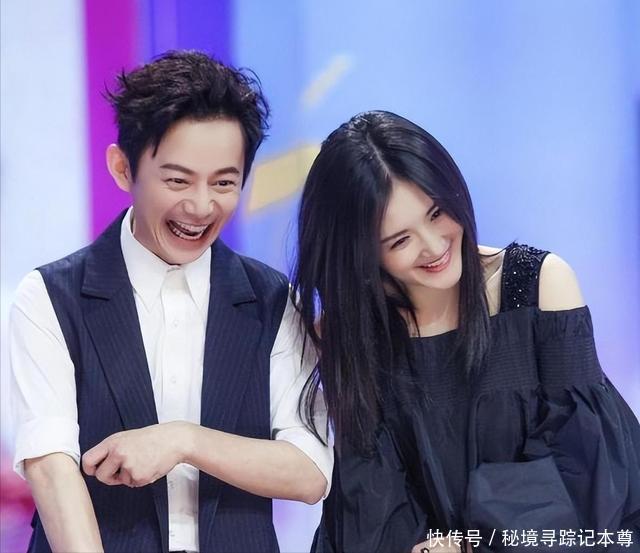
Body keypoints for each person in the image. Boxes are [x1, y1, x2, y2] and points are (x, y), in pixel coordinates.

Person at [10, 51, 332, 553]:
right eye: (177, 180)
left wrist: (182, 440)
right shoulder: (51, 297)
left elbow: (309, 470)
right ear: (123, 168)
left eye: (224, 182)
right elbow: (51, 467)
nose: (201, 206)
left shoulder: (272, 300)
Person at [292, 110, 640, 552]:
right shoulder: (351, 335)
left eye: (437, 213)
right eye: (400, 240)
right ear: (361, 254)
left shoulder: (537, 286)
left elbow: (587, 469)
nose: (434, 245)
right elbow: (368, 496)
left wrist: (471, 543)